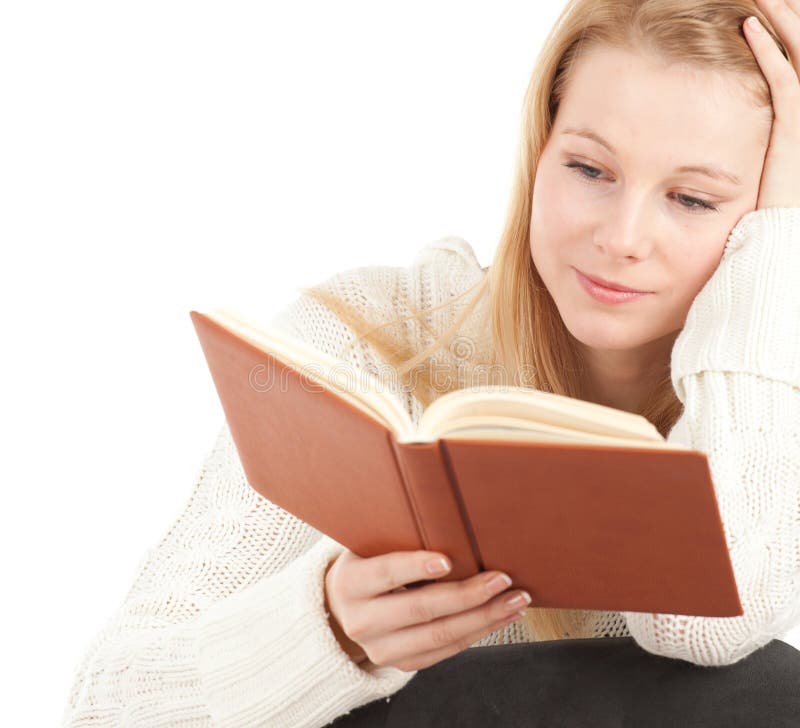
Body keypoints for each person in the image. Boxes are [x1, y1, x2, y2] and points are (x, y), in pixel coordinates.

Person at [62, 1, 800, 726]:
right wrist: (328, 631)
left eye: (693, 199)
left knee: (768, 687)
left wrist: (774, 266)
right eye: (588, 168)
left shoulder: (774, 398)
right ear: (539, 149)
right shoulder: (368, 337)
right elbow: (107, 710)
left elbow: (703, 631)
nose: (623, 237)